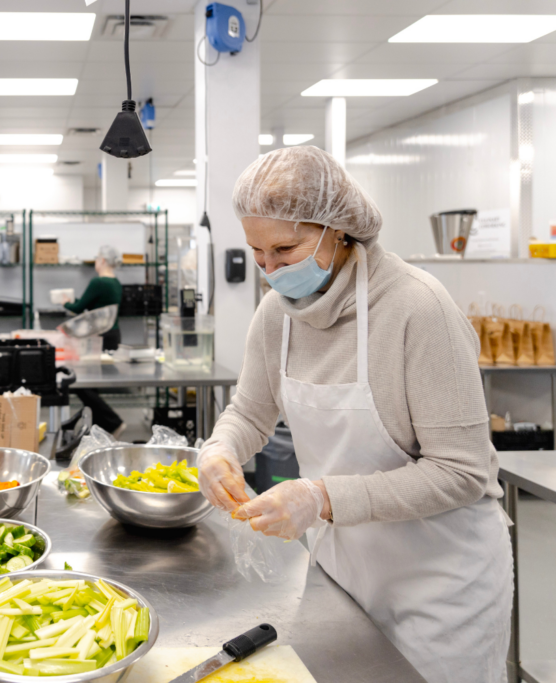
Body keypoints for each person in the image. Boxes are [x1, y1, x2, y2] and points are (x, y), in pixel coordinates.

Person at [198, 146, 513, 683]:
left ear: (337, 230)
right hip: (343, 567)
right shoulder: (278, 314)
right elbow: (250, 411)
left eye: (285, 249)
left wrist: (319, 497)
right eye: (256, 252)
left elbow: (462, 474)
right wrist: (219, 449)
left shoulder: (418, 308)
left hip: (440, 584)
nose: (270, 270)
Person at [64, 245, 124, 436]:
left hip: (98, 338)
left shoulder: (99, 282)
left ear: (103, 261)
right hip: (113, 335)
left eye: (97, 258)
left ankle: (113, 422)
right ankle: (100, 429)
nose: (96, 262)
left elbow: (78, 307)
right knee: (92, 383)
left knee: (82, 383)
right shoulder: (116, 283)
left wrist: (64, 301)